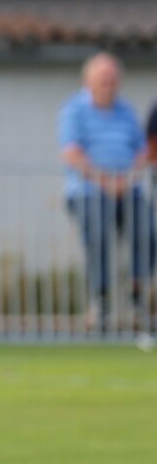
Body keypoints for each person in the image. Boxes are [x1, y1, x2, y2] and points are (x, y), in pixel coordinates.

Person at [59, 52, 153, 330]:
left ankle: (137, 298)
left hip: (127, 188)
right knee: (98, 234)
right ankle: (100, 302)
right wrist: (104, 181)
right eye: (103, 81)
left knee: (147, 231)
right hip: (88, 190)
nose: (108, 86)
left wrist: (126, 179)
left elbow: (143, 151)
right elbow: (71, 153)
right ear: (88, 82)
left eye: (113, 81)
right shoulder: (73, 110)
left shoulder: (126, 111)